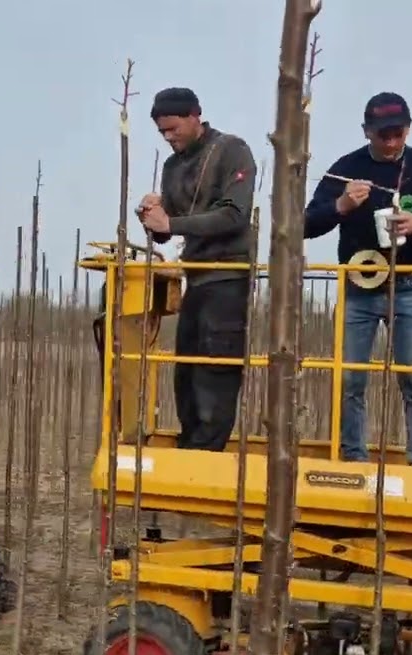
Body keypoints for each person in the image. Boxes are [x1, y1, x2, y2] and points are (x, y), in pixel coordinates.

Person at [303, 92, 412, 467]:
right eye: (381, 135)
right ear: (366, 132)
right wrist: (341, 206)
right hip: (358, 285)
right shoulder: (345, 168)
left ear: (408, 129)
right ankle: (353, 460)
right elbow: (305, 225)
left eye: (397, 134)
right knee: (350, 380)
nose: (390, 143)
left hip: (409, 287)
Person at [137, 87, 257, 451]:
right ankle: (191, 450)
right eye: (162, 132)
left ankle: (208, 455)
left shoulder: (231, 150)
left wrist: (170, 225)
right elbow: (167, 228)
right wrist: (150, 217)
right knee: (186, 374)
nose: (168, 137)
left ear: (195, 116)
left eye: (173, 128)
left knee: (215, 371)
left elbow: (234, 215)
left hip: (228, 274)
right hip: (196, 277)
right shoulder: (173, 166)